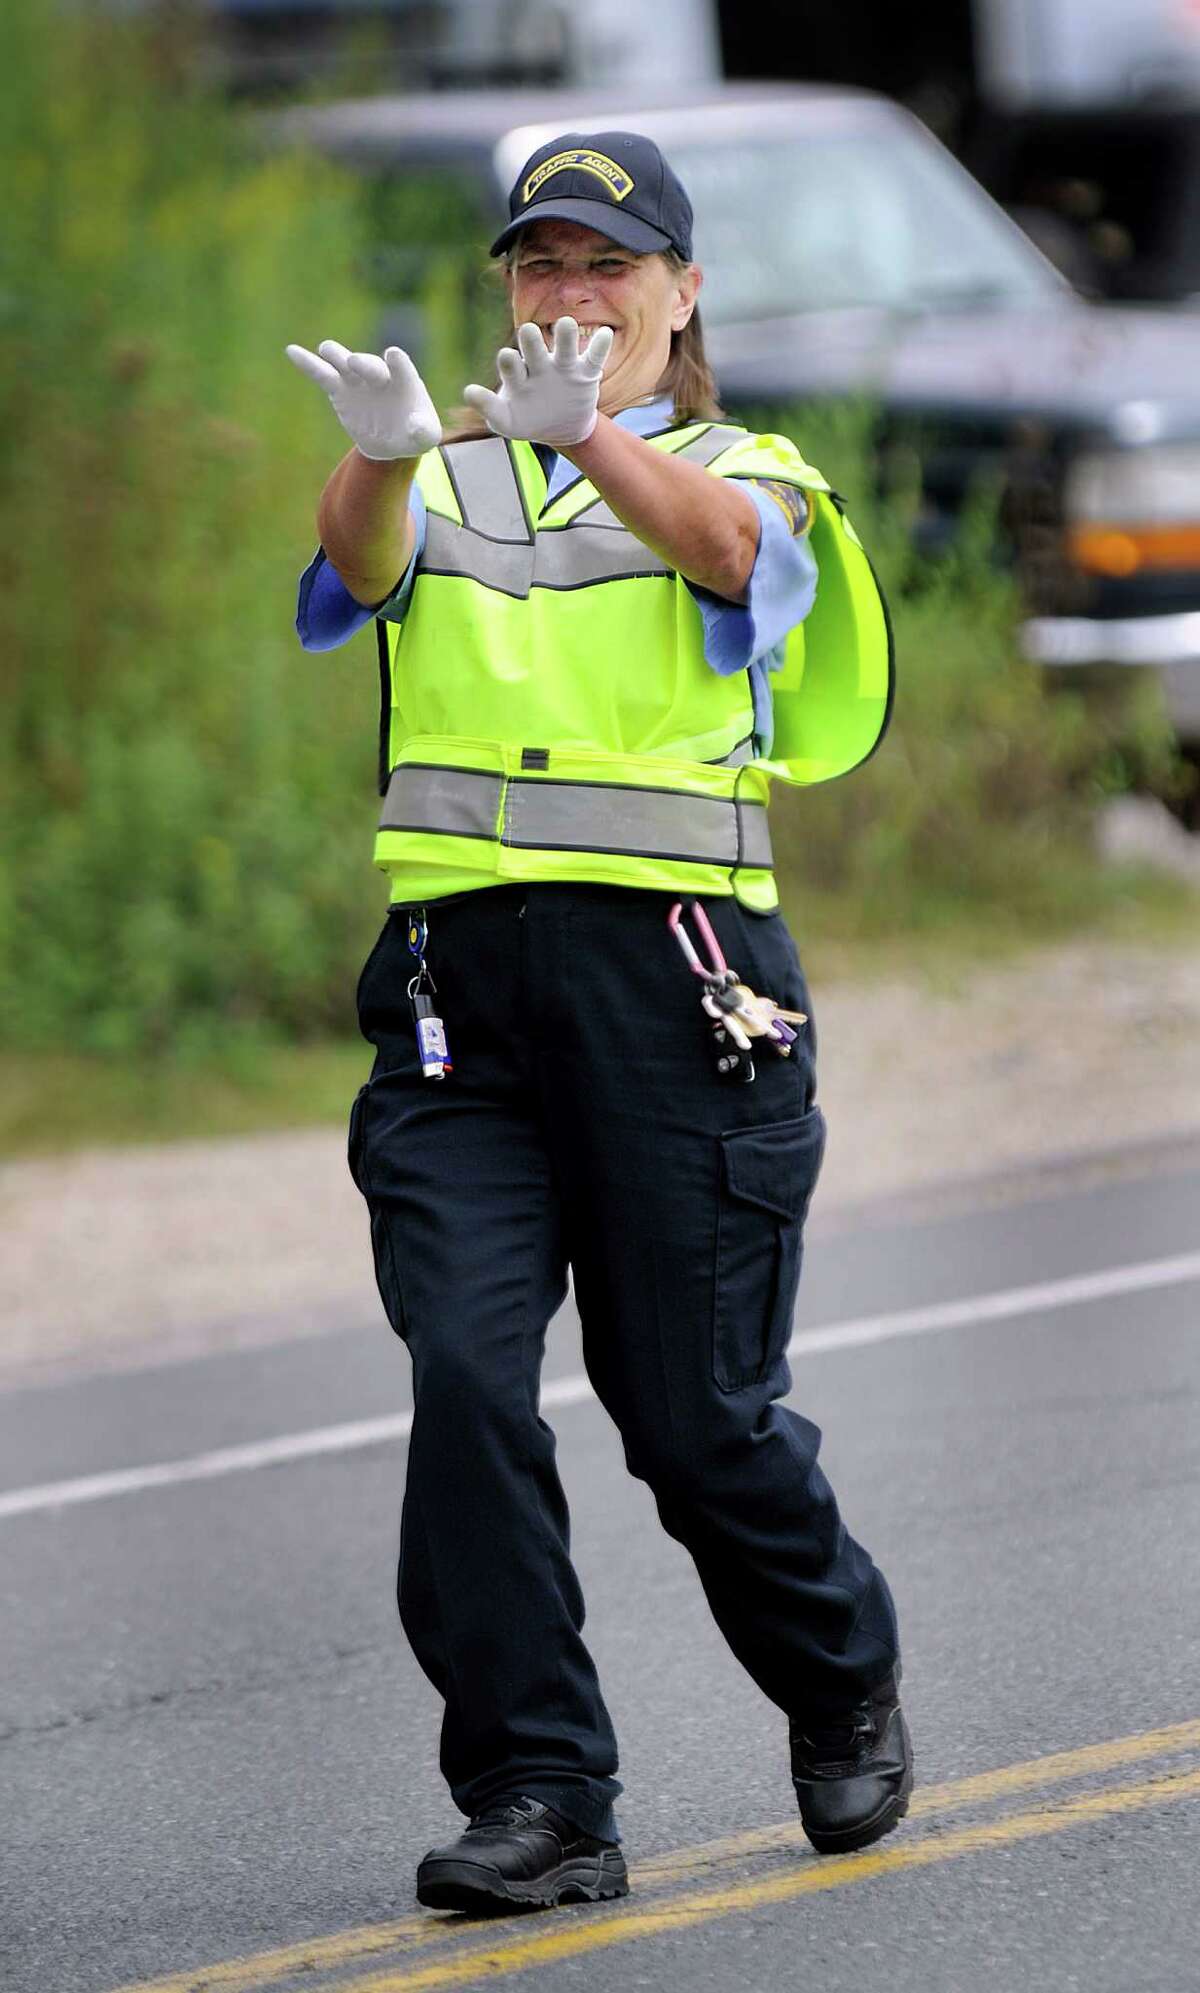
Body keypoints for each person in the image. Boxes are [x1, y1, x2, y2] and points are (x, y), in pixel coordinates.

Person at [287, 129, 910, 1914]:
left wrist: (589, 441)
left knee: (691, 1416)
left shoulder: (743, 465)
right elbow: (355, 577)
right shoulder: (459, 470)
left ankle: (839, 1662)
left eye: (607, 266)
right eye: (540, 267)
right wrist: (385, 458)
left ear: (681, 292)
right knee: (467, 1380)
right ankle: (541, 1788)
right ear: (506, 289)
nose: (570, 295)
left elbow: (734, 563)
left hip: (680, 995)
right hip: (455, 1010)